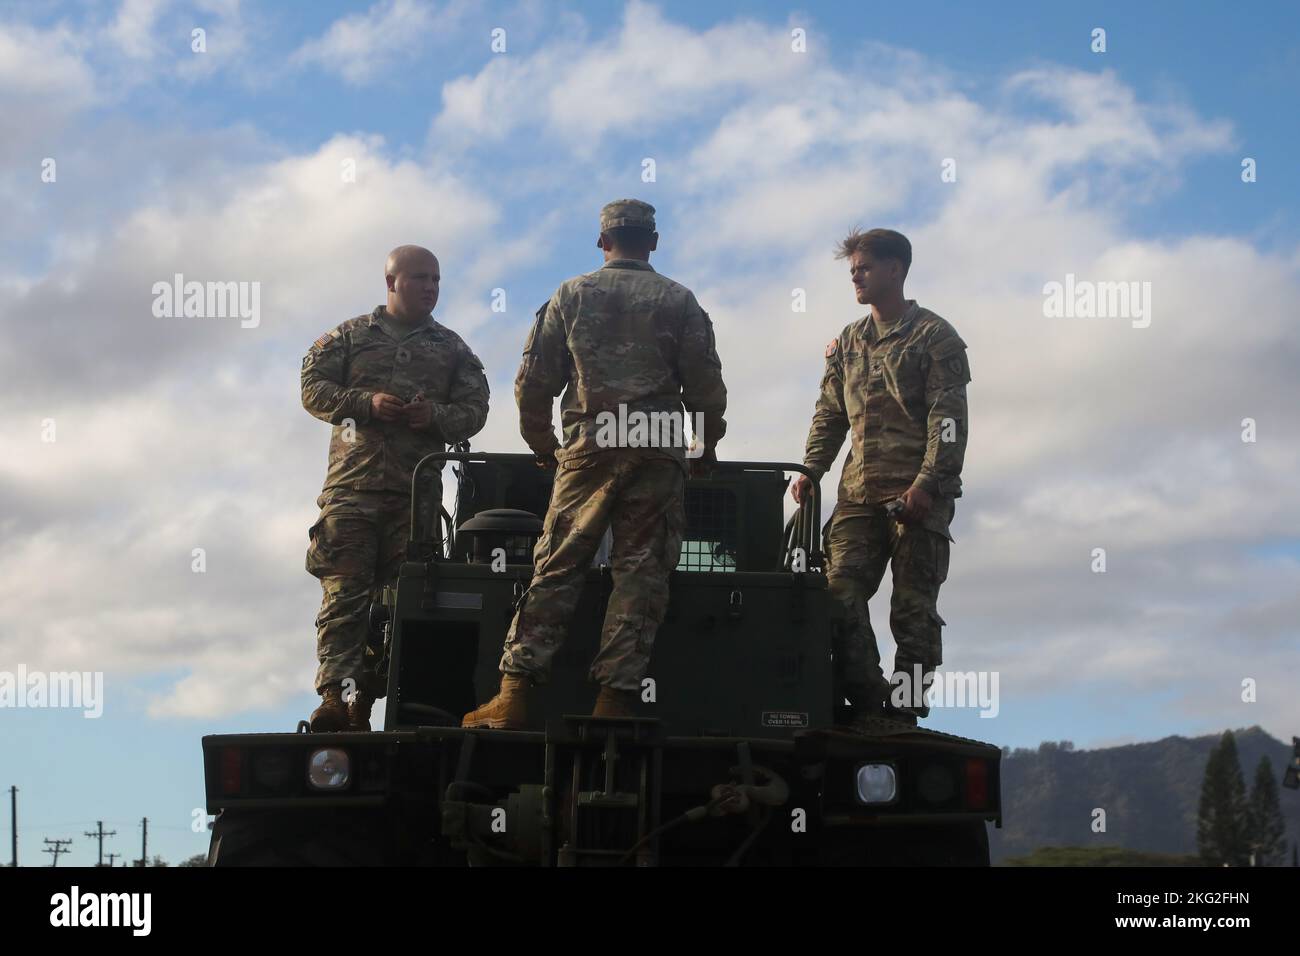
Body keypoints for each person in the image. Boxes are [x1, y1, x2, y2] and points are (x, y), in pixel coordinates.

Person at [463, 200, 727, 729]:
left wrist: (543, 445)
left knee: (559, 562)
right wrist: (705, 442)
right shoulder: (680, 300)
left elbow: (534, 382)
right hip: (657, 444)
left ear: (602, 241)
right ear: (652, 242)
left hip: (591, 441)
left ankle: (515, 693)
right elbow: (705, 387)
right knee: (641, 574)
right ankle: (615, 700)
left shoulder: (571, 294)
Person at [302, 245, 489, 731]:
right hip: (352, 491)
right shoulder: (349, 337)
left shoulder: (452, 349)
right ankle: (332, 701)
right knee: (344, 599)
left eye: (437, 280)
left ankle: (361, 702)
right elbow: (312, 388)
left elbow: (475, 409)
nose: (431, 288)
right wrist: (365, 403)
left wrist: (436, 417)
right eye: (420, 279)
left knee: (396, 608)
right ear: (392, 282)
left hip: (415, 499)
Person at [793, 229, 969, 725]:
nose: (856, 275)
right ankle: (870, 700)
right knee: (838, 593)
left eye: (865, 266)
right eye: (852, 268)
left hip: (918, 495)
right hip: (857, 495)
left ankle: (905, 709)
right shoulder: (848, 342)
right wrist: (811, 468)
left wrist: (927, 485)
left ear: (896, 269)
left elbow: (948, 421)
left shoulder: (935, 337)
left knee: (913, 613)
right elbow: (829, 414)